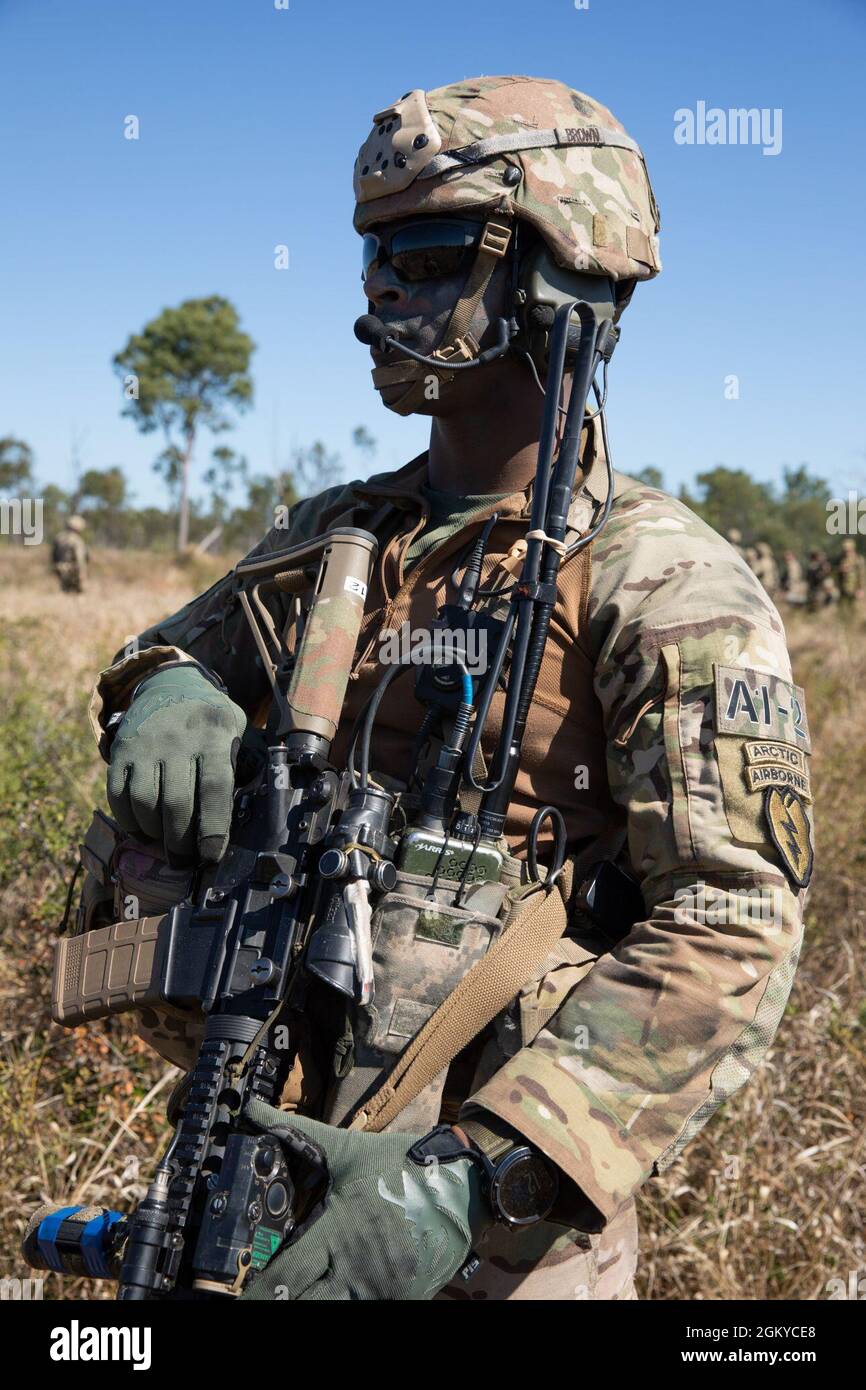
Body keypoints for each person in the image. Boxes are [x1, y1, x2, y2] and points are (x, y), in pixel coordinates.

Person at [86, 77, 811, 1301]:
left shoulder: (664, 580)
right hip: (260, 1143)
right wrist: (170, 687)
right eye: (372, 257)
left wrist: (466, 1186)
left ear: (562, 270)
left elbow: (731, 926)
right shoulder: (339, 533)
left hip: (486, 1233)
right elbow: (170, 652)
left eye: (423, 256)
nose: (378, 293)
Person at [52, 514, 88, 592]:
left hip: (60, 568)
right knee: (76, 594)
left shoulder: (59, 537)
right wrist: (82, 575)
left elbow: (54, 555)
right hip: (73, 571)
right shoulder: (77, 540)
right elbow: (80, 559)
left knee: (64, 593)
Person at [836, 537, 865, 613]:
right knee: (843, 610)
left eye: (848, 550)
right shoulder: (841, 559)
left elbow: (862, 575)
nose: (846, 552)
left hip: (854, 589)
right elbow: (837, 574)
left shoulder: (858, 559)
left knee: (855, 610)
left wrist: (861, 589)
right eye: (845, 550)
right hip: (843, 589)